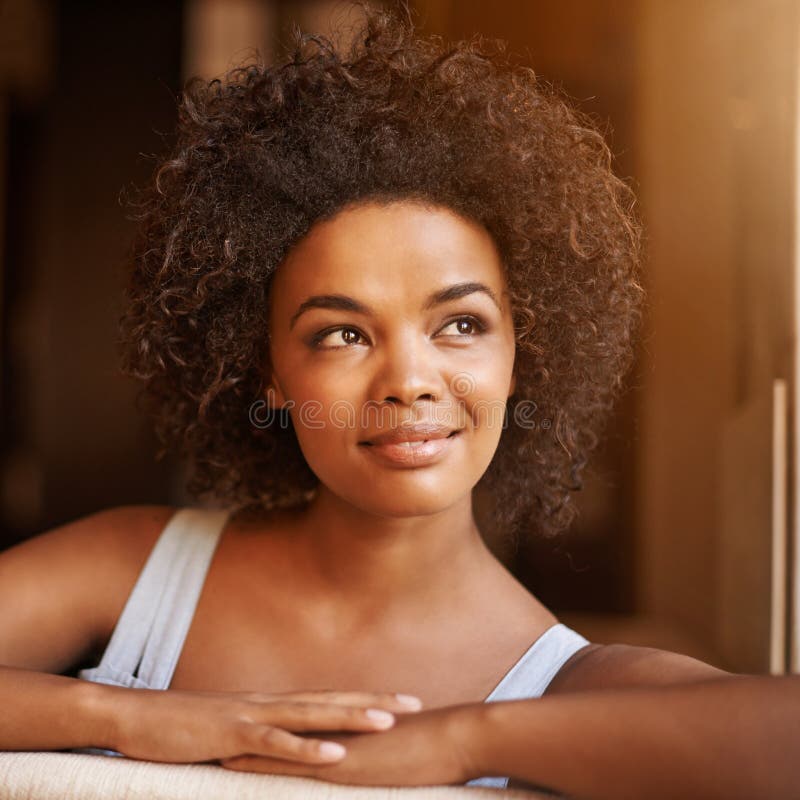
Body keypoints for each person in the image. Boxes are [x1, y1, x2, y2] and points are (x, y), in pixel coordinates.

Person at [1, 4, 798, 798]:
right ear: (267, 373)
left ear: (523, 353)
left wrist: (458, 740)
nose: (408, 381)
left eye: (460, 323)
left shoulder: (567, 682)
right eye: (341, 334)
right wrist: (129, 717)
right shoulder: (138, 570)